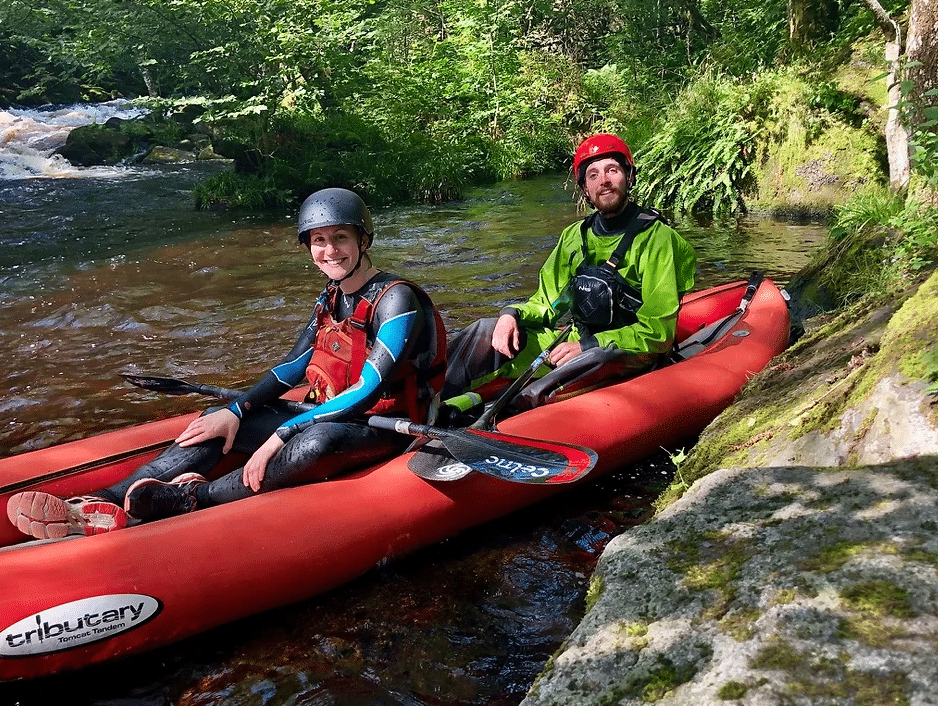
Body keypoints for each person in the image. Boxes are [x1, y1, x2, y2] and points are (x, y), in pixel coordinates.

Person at [7, 188, 446, 540]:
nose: (330, 250)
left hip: (381, 428)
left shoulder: (397, 301)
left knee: (315, 444)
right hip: (326, 412)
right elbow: (293, 367)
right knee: (213, 421)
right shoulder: (331, 297)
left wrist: (282, 434)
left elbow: (368, 389)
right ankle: (98, 503)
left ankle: (195, 498)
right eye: (319, 240)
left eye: (341, 238)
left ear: (363, 240)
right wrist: (237, 410)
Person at [441, 133, 697, 413]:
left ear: (629, 176)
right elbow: (548, 303)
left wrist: (589, 345)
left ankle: (515, 412)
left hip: (627, 353)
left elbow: (658, 333)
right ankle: (431, 398)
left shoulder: (659, 240)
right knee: (484, 329)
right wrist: (511, 314)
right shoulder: (574, 237)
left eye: (612, 170)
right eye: (593, 175)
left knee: (597, 355)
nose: (604, 180)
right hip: (579, 340)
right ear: (585, 189)